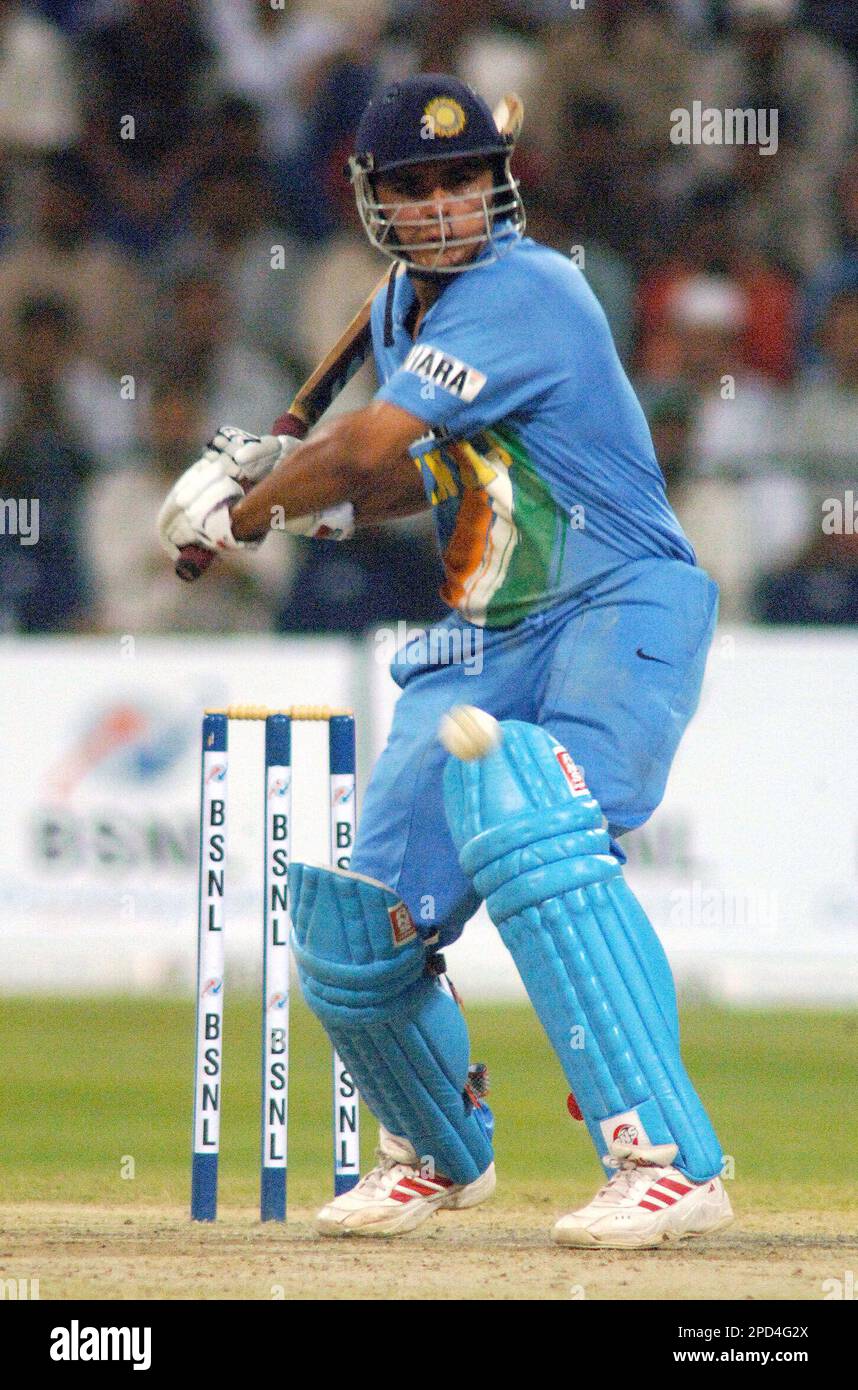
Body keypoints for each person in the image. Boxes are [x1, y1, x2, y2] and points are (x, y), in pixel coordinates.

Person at [158, 75, 732, 1249]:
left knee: (533, 820)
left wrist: (249, 499)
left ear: (496, 184)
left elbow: (364, 438)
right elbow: (391, 480)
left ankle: (669, 1157)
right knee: (357, 926)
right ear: (371, 196)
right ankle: (435, 1149)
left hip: (615, 605)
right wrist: (277, 497)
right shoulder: (399, 316)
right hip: (485, 626)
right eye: (413, 185)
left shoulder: (530, 291)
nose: (440, 205)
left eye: (461, 178)